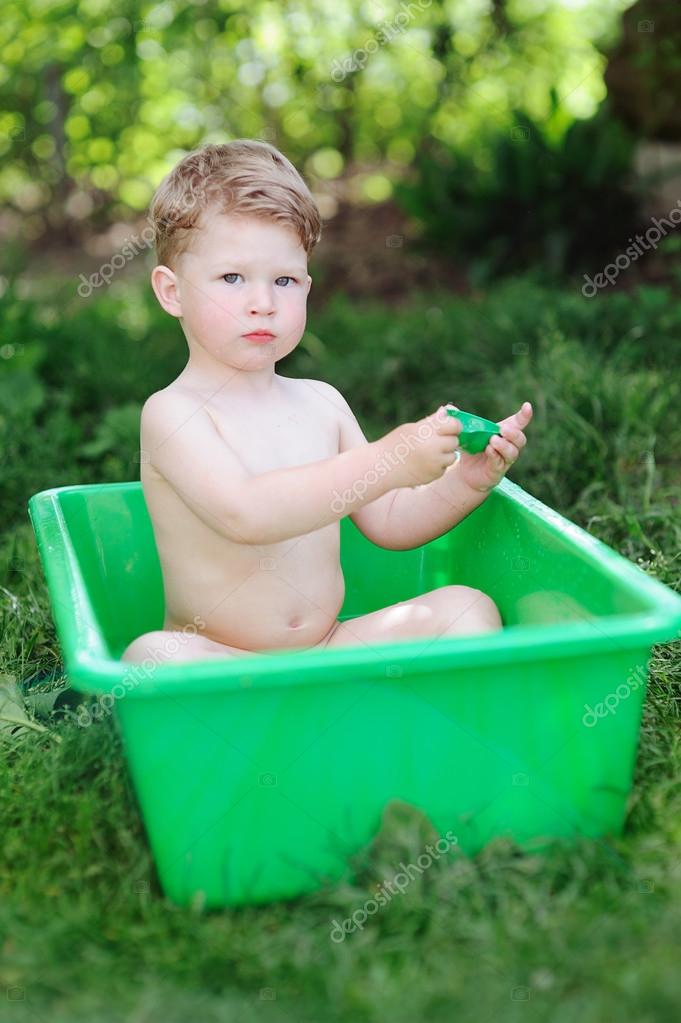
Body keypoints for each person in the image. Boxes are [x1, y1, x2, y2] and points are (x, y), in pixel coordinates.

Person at [121, 139, 533, 665]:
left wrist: (465, 481)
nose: (263, 303)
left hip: (328, 651)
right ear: (172, 291)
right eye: (232, 278)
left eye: (284, 280)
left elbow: (391, 520)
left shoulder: (323, 404)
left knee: (466, 609)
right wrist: (389, 459)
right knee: (154, 656)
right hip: (222, 662)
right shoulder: (173, 413)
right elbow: (246, 513)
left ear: (307, 288)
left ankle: (350, 704)